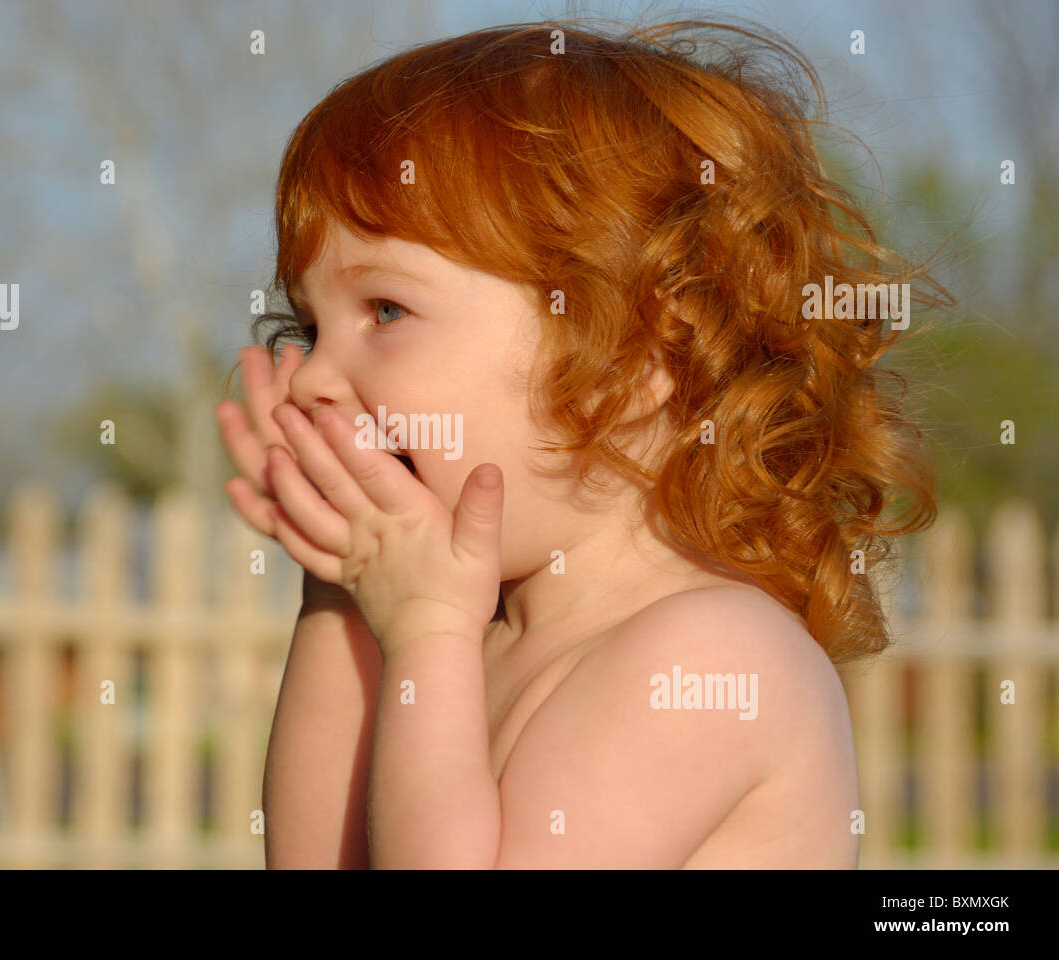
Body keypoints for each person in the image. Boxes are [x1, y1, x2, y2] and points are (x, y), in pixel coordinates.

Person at [215, 17, 953, 868]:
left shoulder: (713, 658)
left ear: (634, 357)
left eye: (385, 311)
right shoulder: (468, 646)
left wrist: (422, 636)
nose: (310, 380)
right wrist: (336, 593)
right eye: (308, 327)